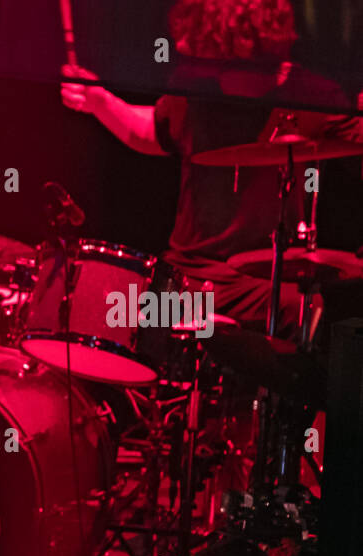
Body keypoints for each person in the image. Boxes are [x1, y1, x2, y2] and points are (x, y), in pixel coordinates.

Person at [60, 0, 362, 335]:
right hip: (187, 277)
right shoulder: (195, 90)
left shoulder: (310, 95)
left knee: (304, 311)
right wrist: (101, 102)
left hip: (264, 285)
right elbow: (153, 133)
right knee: (105, 313)